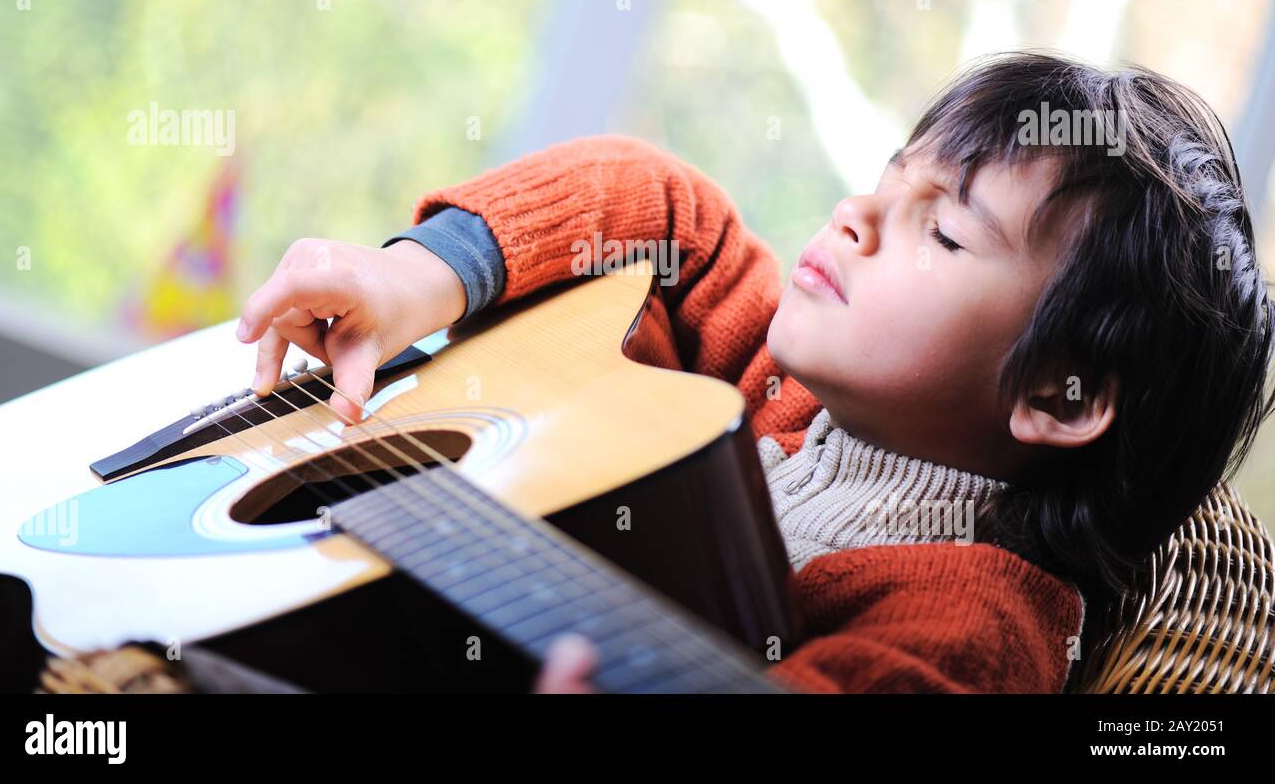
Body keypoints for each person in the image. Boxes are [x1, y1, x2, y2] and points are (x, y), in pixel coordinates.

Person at [236, 51, 1275, 692]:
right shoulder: (786, 393)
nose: (853, 217)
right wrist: (416, 277)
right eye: (884, 181)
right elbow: (662, 208)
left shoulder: (974, 623)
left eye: (944, 233)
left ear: (1059, 397)